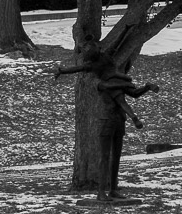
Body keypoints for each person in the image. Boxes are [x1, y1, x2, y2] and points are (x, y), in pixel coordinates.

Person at [56, 46, 159, 202]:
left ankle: (113, 190)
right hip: (107, 121)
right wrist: (134, 118)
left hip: (118, 121)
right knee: (105, 157)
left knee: (116, 157)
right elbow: (122, 101)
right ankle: (101, 192)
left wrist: (146, 87)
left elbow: (134, 93)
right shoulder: (103, 85)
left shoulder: (115, 82)